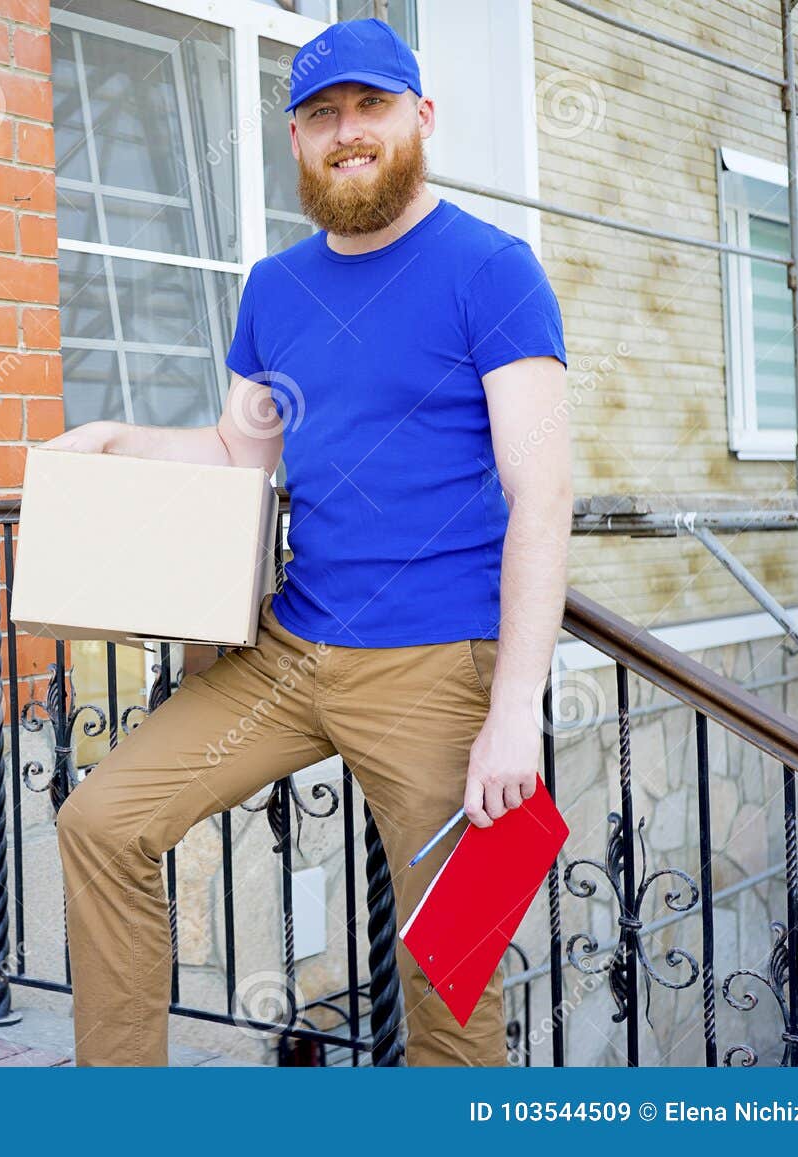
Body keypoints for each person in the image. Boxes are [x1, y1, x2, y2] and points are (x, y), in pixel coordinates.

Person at [42, 18, 571, 1067]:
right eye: (322, 115)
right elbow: (241, 455)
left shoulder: (493, 270)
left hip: (438, 664)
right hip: (287, 650)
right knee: (99, 821)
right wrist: (113, 435)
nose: (347, 133)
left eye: (370, 107)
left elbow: (542, 492)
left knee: (452, 972)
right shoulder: (273, 288)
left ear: (420, 117)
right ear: (295, 139)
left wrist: (514, 710)